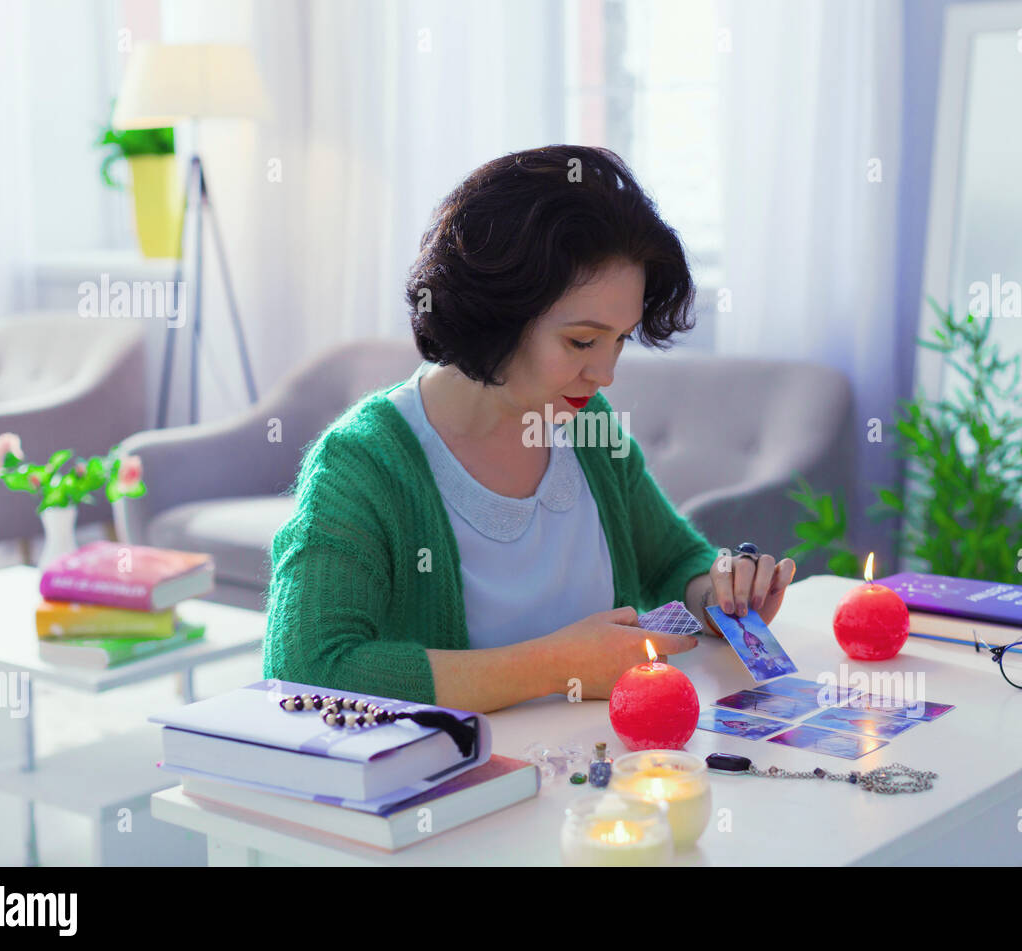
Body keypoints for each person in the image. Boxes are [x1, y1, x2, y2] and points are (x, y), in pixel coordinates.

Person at [261, 145, 796, 713]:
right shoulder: (364, 463)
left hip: (594, 777)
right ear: (496, 315)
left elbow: (672, 562)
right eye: (582, 342)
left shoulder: (585, 424)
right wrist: (552, 667)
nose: (606, 373)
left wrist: (721, 591)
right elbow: (306, 666)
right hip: (463, 791)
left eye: (620, 339)